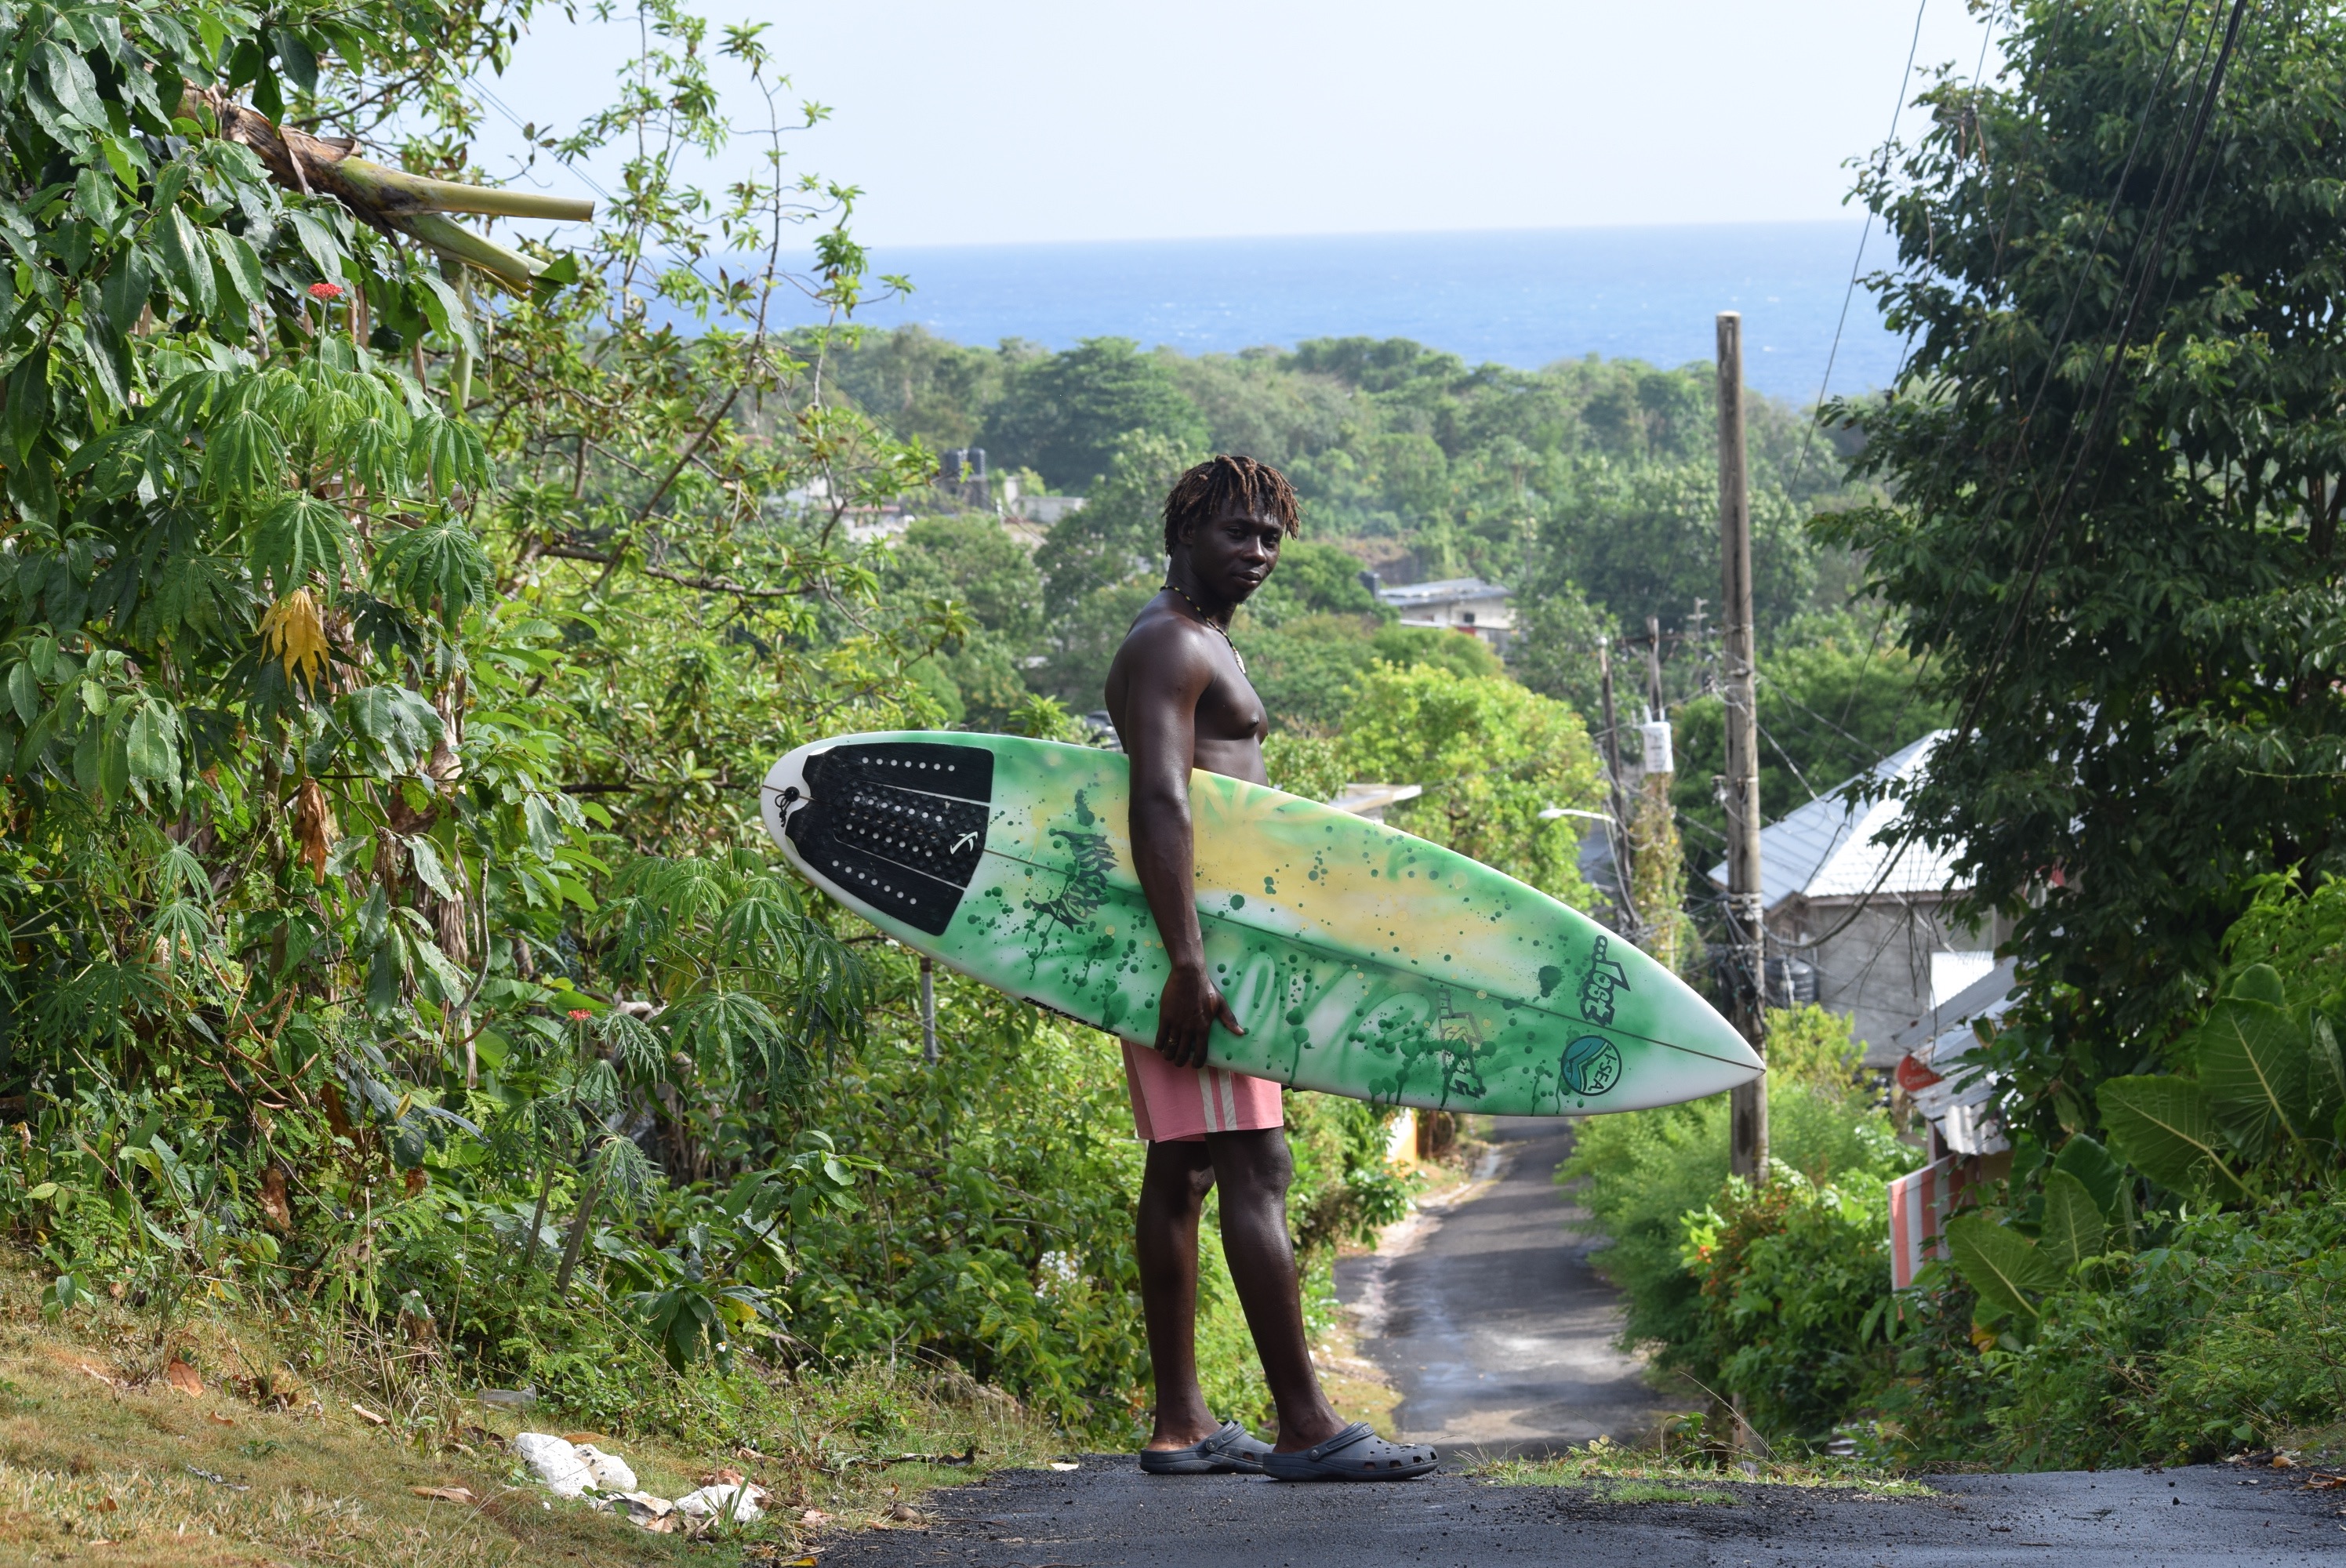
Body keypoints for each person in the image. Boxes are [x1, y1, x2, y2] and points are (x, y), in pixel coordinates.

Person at [1102, 455, 1437, 1483]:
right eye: (1238, 533)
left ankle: (1184, 1424)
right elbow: (1160, 801)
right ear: (1185, 530)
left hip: (1208, 944)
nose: (1258, 553)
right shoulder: (1167, 646)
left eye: (1272, 538)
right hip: (1193, 950)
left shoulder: (1197, 642)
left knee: (1187, 1167)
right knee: (1256, 1167)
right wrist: (1188, 963)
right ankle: (1304, 1424)